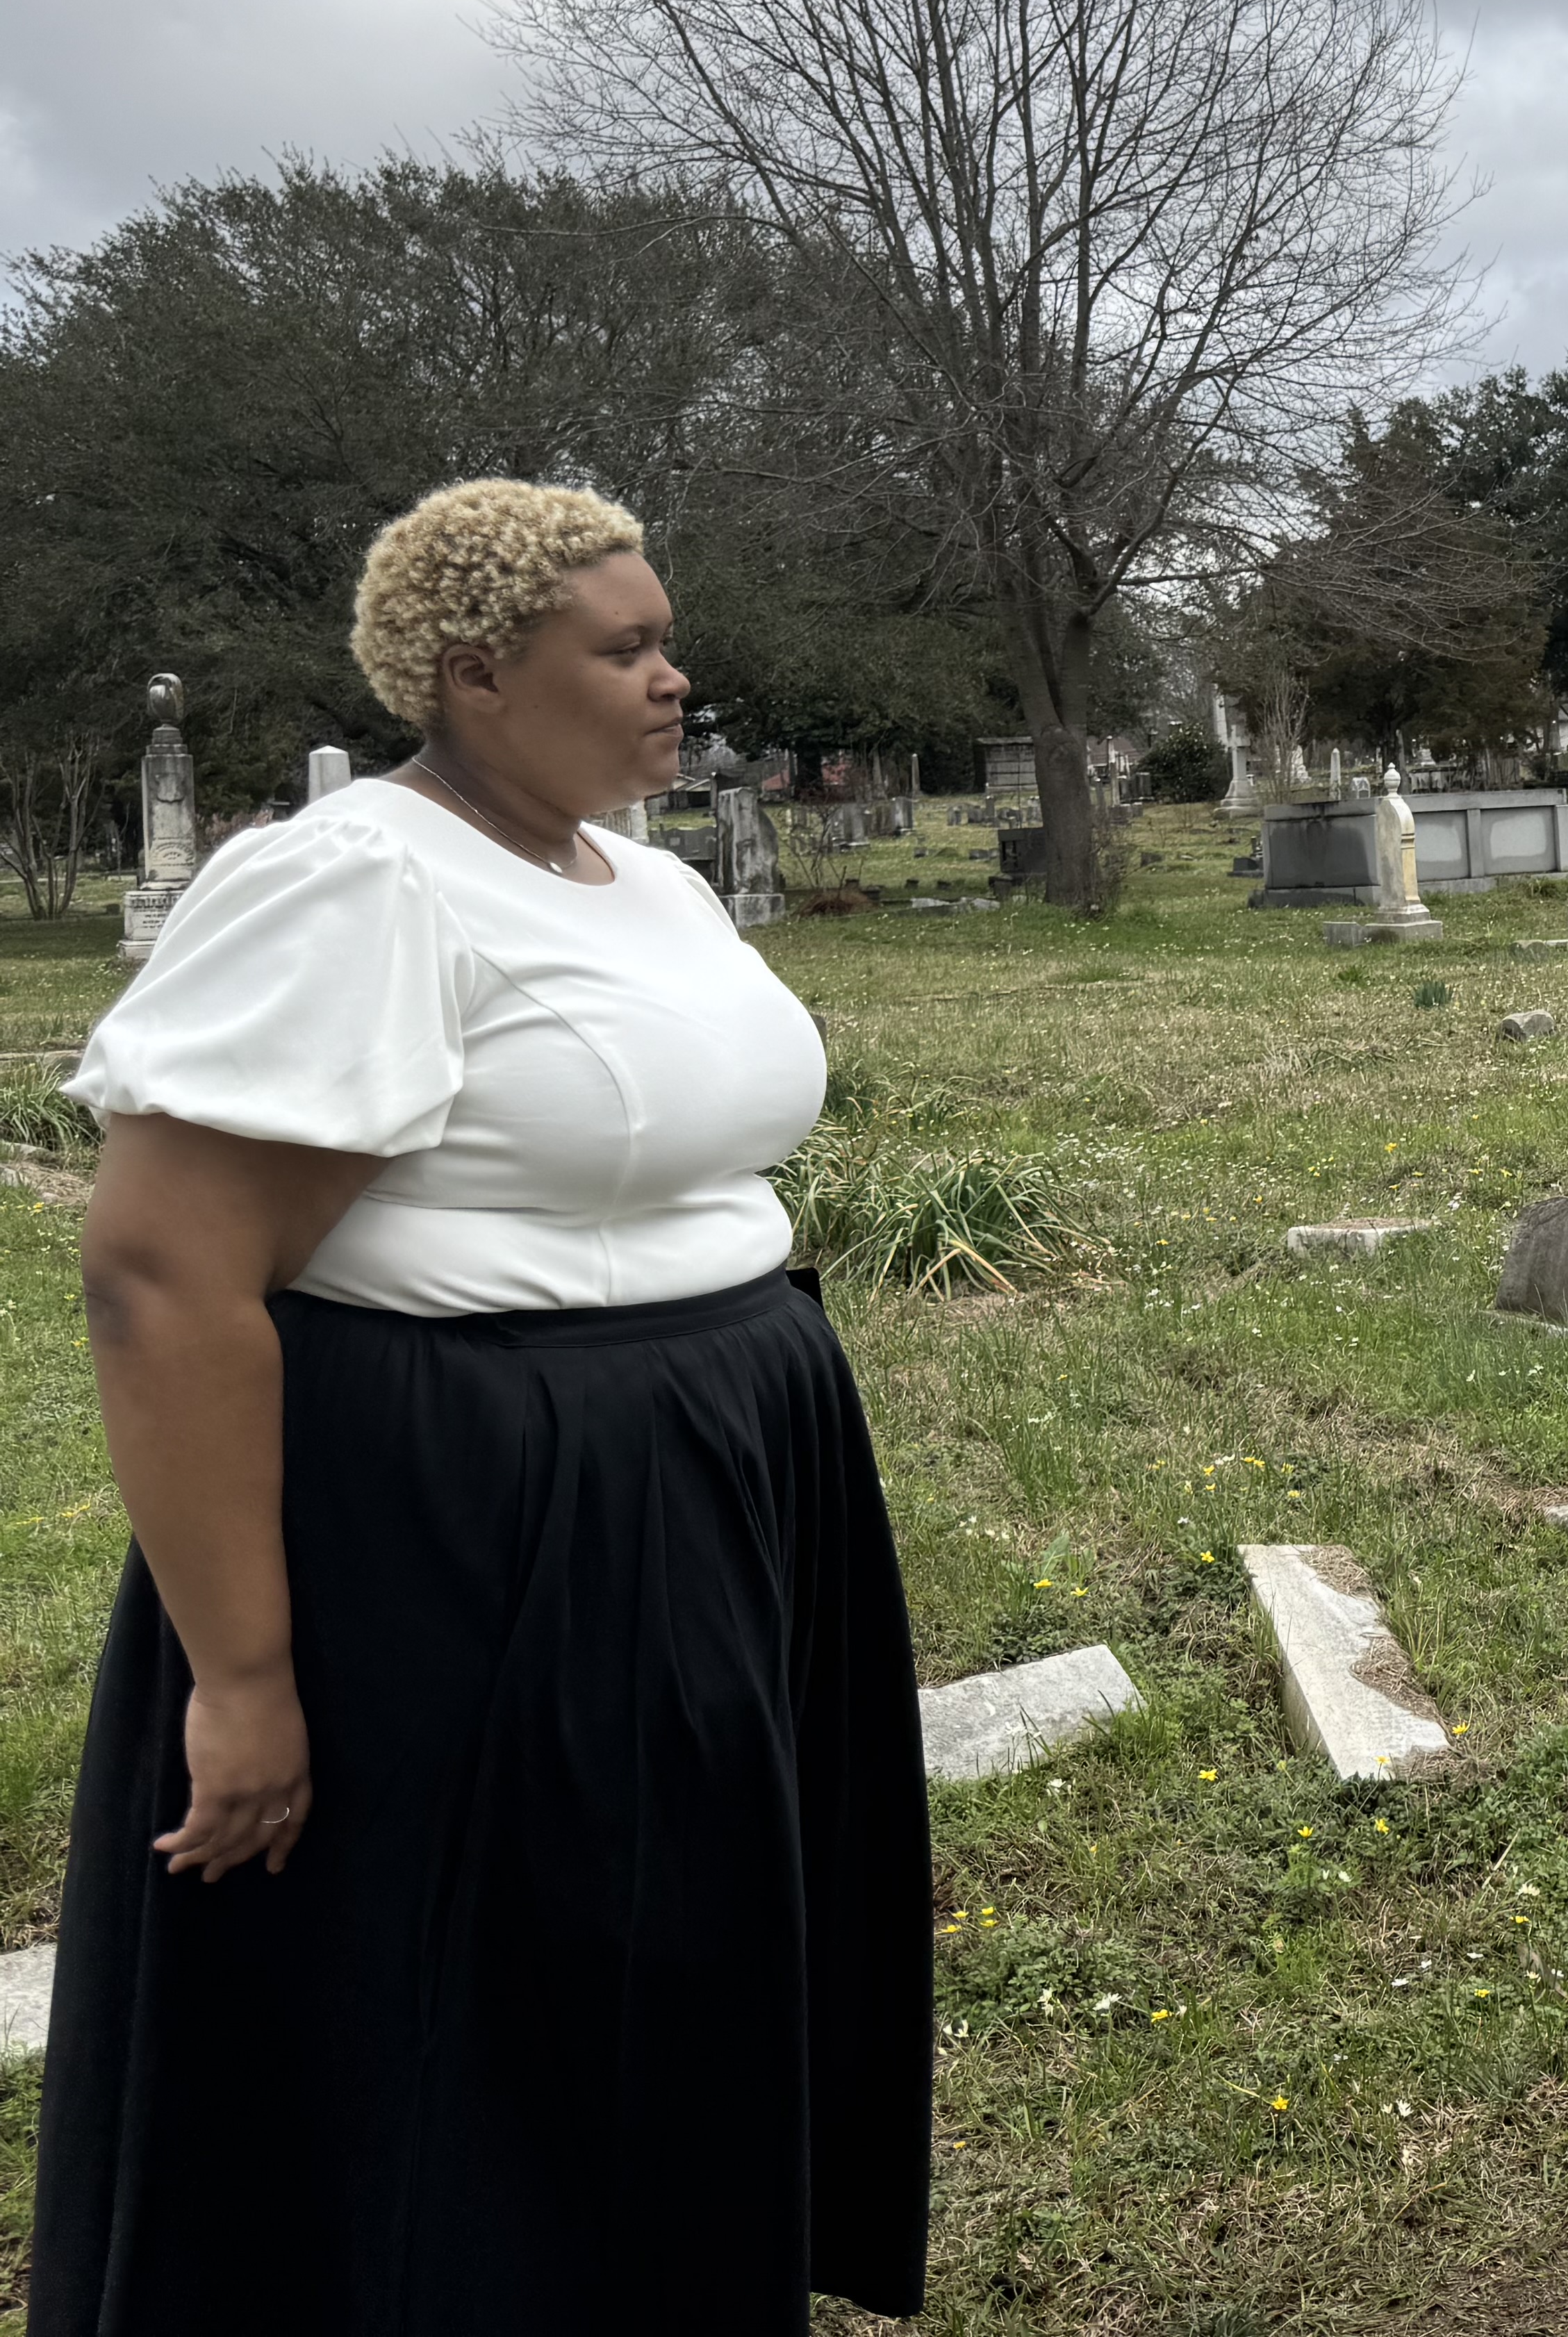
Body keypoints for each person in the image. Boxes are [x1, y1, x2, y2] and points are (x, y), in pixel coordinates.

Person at [46, 480, 930, 2332]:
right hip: (472, 1534)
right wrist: (250, 1677)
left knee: (668, 1972)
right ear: (474, 674)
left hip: (712, 1484)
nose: (674, 677)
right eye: (624, 647)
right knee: (484, 2018)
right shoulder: (354, 878)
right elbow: (160, 1268)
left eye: (663, 637)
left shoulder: (653, 876)